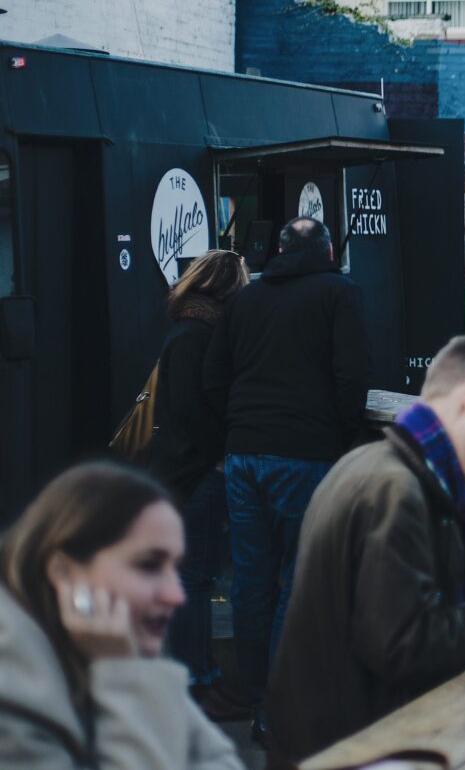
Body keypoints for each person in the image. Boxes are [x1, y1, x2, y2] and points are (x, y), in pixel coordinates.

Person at [265, 335, 465, 762]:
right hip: (360, 749)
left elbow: (414, 602)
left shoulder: (381, 468)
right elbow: (404, 645)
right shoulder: (398, 490)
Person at [201, 216, 368, 741]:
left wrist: (240, 424)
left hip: (244, 454)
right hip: (306, 455)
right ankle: (281, 707)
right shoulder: (340, 293)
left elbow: (212, 377)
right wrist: (342, 441)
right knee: (297, 581)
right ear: (324, 250)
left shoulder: (244, 301)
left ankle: (258, 701)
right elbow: (351, 377)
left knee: (252, 582)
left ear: (277, 250)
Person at [0, 462, 243, 769]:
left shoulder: (115, 645)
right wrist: (126, 678)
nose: (176, 595)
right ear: (62, 572)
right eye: (148, 565)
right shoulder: (12, 689)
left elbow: (221, 762)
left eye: (175, 567)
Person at [145, 249, 252, 721]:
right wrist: (219, 457)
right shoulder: (197, 336)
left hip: (180, 472)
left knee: (192, 578)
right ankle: (196, 683)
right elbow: (193, 410)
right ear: (227, 288)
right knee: (195, 580)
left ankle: (201, 677)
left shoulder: (186, 329)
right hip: (196, 474)